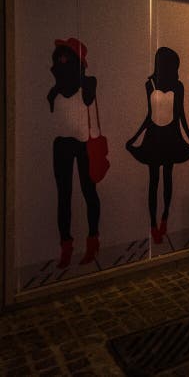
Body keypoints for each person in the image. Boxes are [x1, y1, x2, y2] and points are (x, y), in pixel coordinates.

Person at [127, 47, 189, 244]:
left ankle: (164, 218)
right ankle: (153, 223)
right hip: (154, 135)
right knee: (154, 181)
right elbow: (149, 116)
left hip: (170, 135)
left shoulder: (178, 86)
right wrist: (135, 137)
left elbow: (181, 115)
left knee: (166, 178)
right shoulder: (149, 84)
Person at [47, 38, 101, 268]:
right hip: (61, 146)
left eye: (66, 58)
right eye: (60, 58)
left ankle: (92, 241)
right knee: (64, 196)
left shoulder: (87, 85)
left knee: (88, 192)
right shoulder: (55, 91)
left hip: (83, 145)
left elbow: (92, 116)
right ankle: (66, 246)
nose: (62, 61)